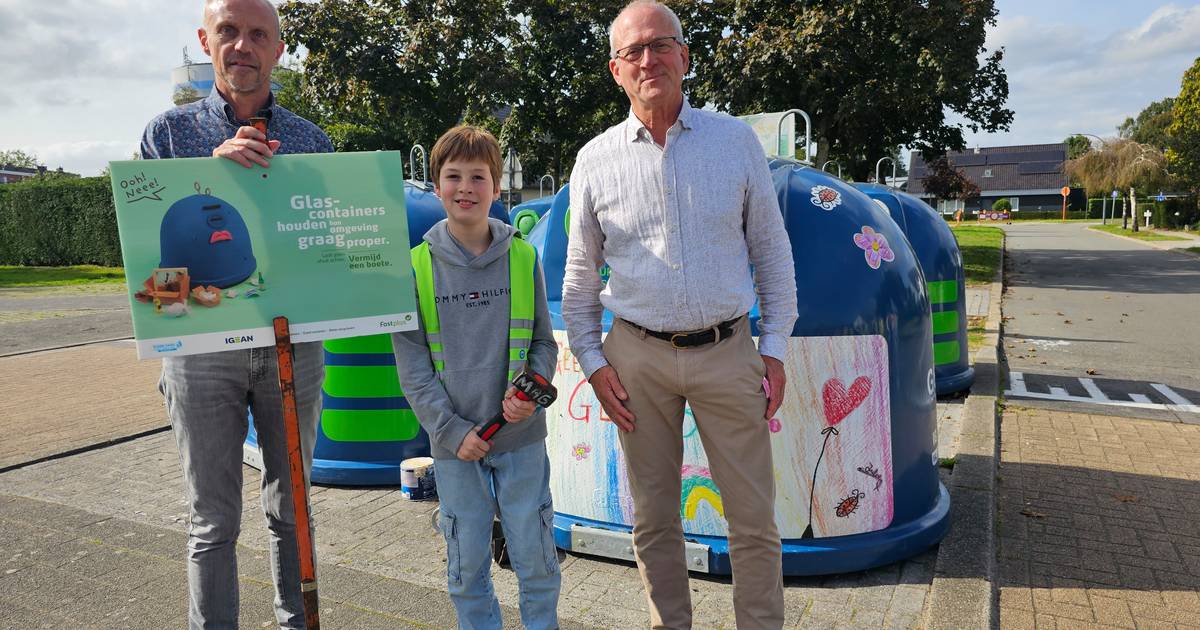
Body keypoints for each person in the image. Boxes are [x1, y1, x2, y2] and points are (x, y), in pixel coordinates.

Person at [561, 2, 798, 628]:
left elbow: (772, 250)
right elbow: (580, 276)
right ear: (615, 70)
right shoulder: (595, 160)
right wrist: (591, 362)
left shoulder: (735, 142)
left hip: (729, 351)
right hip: (635, 358)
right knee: (653, 520)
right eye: (633, 51)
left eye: (660, 45)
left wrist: (773, 347)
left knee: (753, 521)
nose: (648, 60)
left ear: (685, 57)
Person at [139, 1, 333, 627]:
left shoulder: (310, 141)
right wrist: (208, 178)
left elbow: (324, 252)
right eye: (229, 32)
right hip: (199, 352)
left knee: (292, 507)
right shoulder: (166, 137)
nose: (242, 46)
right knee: (211, 518)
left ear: (278, 47)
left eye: (258, 34)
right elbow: (153, 279)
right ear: (206, 40)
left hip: (291, 343)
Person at [392, 125, 561, 630]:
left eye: (478, 176)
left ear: (496, 184)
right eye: (453, 176)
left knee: (536, 563)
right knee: (466, 571)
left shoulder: (524, 257)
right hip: (454, 446)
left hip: (522, 439)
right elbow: (413, 367)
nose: (465, 187)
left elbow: (543, 344)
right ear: (436, 183)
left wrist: (532, 391)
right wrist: (451, 431)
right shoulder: (414, 268)